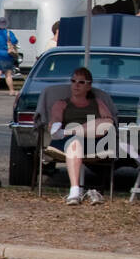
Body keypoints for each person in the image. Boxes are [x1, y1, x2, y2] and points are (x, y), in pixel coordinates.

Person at [48, 67, 112, 205]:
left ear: (89, 86)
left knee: (104, 124)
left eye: (81, 82)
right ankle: (75, 191)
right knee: (75, 142)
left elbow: (108, 122)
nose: (76, 85)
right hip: (67, 142)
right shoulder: (62, 103)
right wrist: (55, 125)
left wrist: (72, 130)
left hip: (94, 140)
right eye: (73, 81)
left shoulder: (97, 102)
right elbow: (54, 122)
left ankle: (71, 131)